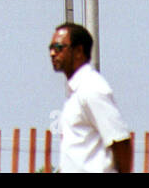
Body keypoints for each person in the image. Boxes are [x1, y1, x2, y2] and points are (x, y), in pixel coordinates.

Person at [49, 22, 132, 173]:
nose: (53, 53)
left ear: (79, 51)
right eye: (51, 48)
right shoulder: (77, 91)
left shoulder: (92, 88)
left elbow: (120, 141)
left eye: (59, 48)